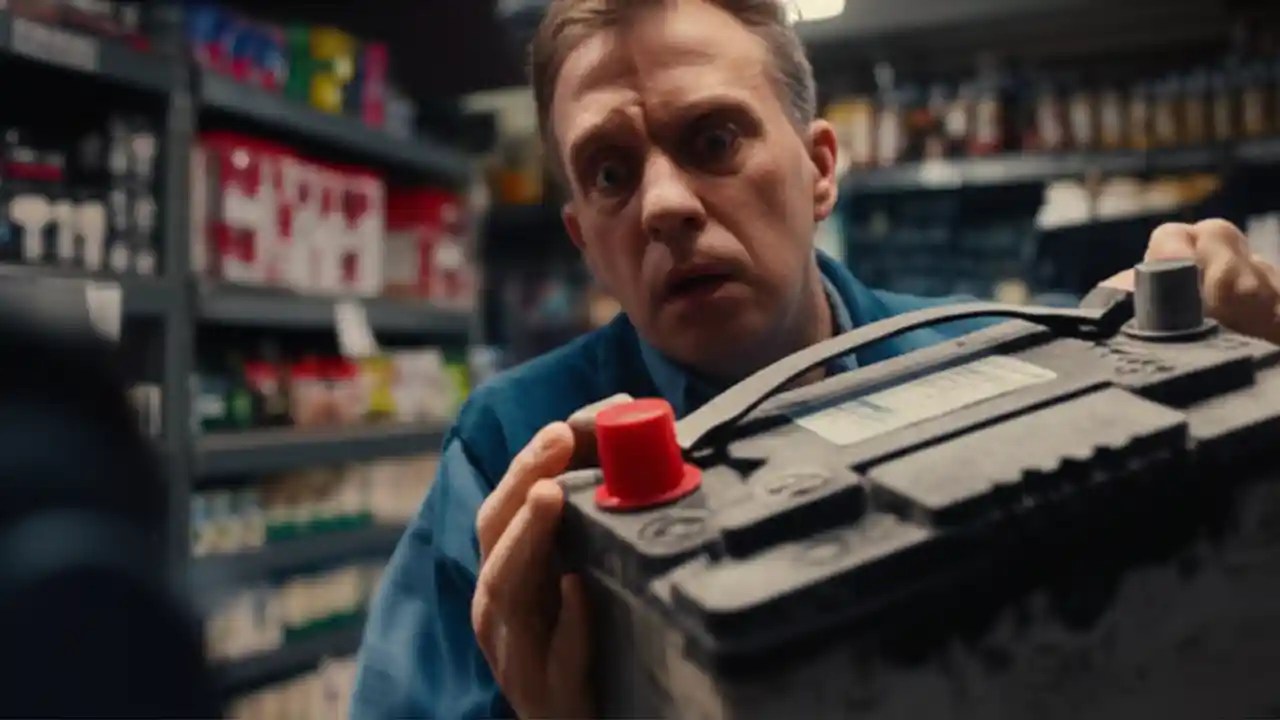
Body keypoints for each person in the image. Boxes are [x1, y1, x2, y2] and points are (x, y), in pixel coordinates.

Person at [351, 1, 1280, 717]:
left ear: (819, 167)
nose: (664, 204)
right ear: (585, 242)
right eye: (610, 172)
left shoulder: (1010, 358)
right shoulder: (514, 463)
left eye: (713, 140)